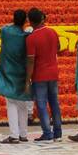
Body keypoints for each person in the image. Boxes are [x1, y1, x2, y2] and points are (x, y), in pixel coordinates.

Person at [0, 9, 33, 143]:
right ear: (25, 21)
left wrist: (14, 23)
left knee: (11, 103)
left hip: (8, 72)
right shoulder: (26, 36)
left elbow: (2, 29)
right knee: (22, 103)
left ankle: (14, 135)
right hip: (22, 73)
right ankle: (23, 134)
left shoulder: (6, 32)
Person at [26, 8, 63, 141]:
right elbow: (58, 47)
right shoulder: (53, 32)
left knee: (41, 104)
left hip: (39, 75)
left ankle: (47, 132)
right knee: (54, 103)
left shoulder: (31, 38)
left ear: (30, 22)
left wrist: (27, 79)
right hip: (53, 73)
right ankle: (58, 132)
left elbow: (30, 60)